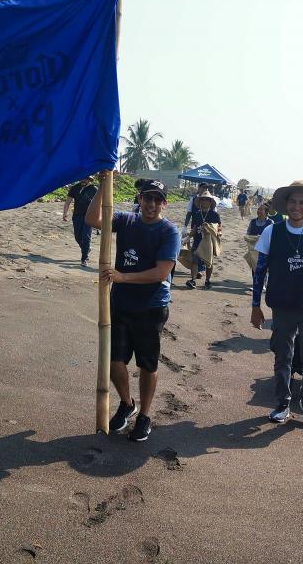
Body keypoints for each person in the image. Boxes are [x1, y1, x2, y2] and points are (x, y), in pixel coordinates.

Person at [85, 177, 180, 442]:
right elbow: (92, 219)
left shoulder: (169, 232)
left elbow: (161, 273)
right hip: (120, 305)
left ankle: (145, 416)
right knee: (114, 362)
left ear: (164, 204)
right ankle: (127, 403)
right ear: (140, 199)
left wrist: (122, 277)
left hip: (152, 307)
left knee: (147, 365)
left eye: (157, 200)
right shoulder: (126, 220)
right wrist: (103, 186)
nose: (152, 204)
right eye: (148, 198)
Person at [250, 180, 303, 425]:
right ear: (285, 205)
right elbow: (260, 271)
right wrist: (255, 306)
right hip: (282, 304)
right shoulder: (272, 231)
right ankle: (283, 402)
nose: (297, 207)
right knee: (282, 355)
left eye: (302, 202)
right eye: (293, 202)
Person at [186, 191, 222, 289]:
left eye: (207, 199)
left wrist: (214, 230)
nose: (204, 201)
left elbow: (219, 227)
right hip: (197, 240)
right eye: (203, 199)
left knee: (208, 262)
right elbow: (194, 228)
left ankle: (207, 280)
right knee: (194, 261)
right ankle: (193, 280)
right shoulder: (197, 214)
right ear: (200, 201)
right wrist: (188, 237)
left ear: (210, 202)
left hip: (209, 242)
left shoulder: (214, 214)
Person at [63, 177, 97, 266]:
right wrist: (65, 213)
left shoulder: (94, 189)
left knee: (86, 237)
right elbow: (68, 202)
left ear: (89, 180)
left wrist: (98, 215)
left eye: (86, 179)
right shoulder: (74, 188)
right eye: (82, 178)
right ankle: (86, 249)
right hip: (77, 215)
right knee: (77, 237)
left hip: (89, 216)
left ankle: (84, 258)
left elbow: (99, 203)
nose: (83, 180)